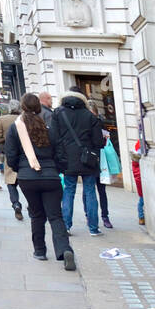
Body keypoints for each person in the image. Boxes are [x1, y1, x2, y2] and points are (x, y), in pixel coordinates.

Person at [6, 92, 74, 271]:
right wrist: (57, 169)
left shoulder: (15, 128)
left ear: (23, 107)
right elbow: (60, 153)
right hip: (50, 176)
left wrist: (19, 169)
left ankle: (40, 250)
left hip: (27, 178)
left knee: (36, 215)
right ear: (38, 107)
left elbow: (11, 155)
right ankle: (64, 250)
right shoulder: (48, 127)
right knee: (55, 215)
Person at [52, 90, 103, 235]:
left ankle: (66, 226)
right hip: (87, 159)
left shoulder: (58, 113)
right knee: (90, 191)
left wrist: (59, 155)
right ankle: (93, 228)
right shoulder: (89, 115)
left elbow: (54, 138)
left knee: (69, 191)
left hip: (67, 160)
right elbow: (98, 141)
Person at [0, 101, 23, 221]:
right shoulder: (24, 118)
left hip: (10, 154)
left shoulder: (3, 119)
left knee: (11, 182)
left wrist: (5, 144)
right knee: (26, 181)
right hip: (25, 154)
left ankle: (16, 204)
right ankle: (31, 205)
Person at [96, 124, 120, 230]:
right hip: (91, 163)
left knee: (101, 191)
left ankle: (104, 216)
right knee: (90, 192)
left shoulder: (100, 128)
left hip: (101, 164)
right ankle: (94, 217)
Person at [131, 139, 145, 225]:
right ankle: (141, 216)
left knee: (142, 198)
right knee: (142, 199)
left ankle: (141, 216)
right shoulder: (136, 160)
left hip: (140, 177)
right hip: (140, 177)